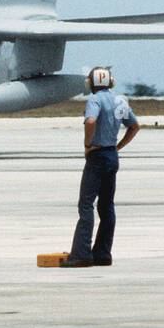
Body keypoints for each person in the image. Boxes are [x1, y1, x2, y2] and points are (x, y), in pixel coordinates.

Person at [61, 66, 139, 268]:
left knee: (86, 205)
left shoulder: (94, 100)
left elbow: (91, 121)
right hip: (112, 155)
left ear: (91, 83)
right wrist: (119, 145)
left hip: (97, 156)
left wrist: (88, 144)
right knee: (107, 206)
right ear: (110, 81)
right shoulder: (120, 100)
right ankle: (103, 253)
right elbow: (134, 125)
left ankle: (81, 254)